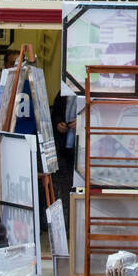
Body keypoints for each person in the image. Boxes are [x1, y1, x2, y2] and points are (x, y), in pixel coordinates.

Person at [49, 89, 78, 223]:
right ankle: (66, 223)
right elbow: (55, 113)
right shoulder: (62, 92)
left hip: (81, 148)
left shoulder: (89, 90)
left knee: (78, 188)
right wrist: (58, 123)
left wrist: (81, 122)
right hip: (63, 147)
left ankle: (74, 223)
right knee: (64, 188)